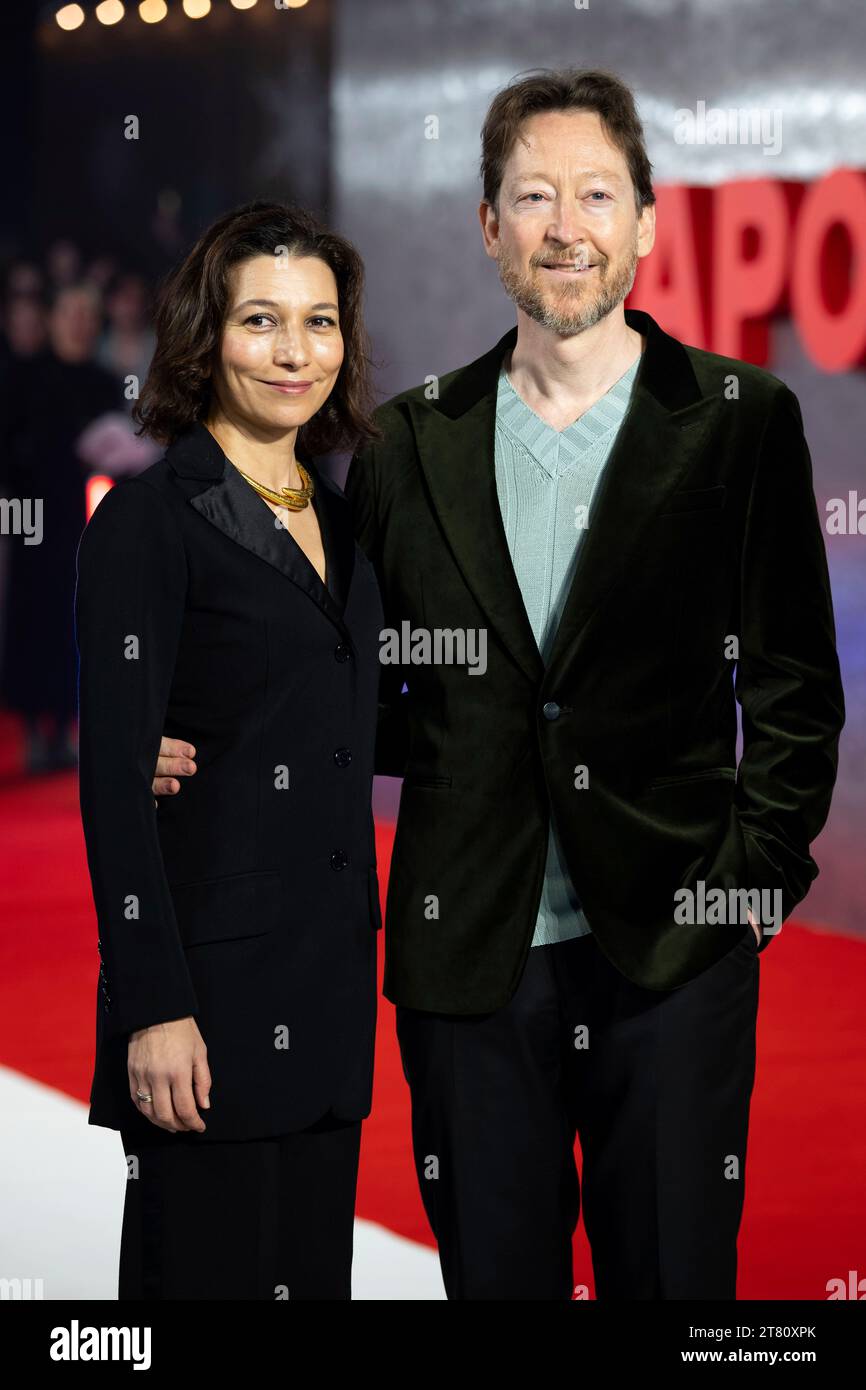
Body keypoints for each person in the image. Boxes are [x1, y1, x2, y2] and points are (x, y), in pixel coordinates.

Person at [156, 70, 845, 1300]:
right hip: (467, 955)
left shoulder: (740, 418)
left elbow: (794, 680)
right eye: (532, 195)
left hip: (673, 949)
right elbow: (342, 674)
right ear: (487, 226)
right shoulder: (411, 439)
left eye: (594, 194)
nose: (563, 226)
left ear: (644, 219)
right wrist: (193, 732)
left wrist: (755, 869)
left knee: (679, 1285)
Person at [76, 200, 384, 1300]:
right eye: (261, 320)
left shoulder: (346, 524)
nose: (294, 351)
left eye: (319, 321)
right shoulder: (150, 522)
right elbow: (113, 790)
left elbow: (353, 727)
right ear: (206, 335)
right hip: (205, 1006)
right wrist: (153, 1005)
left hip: (327, 991)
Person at [1, 284, 120, 772]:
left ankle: (72, 725)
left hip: (87, 520)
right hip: (32, 519)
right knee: (32, 617)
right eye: (70, 312)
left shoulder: (104, 380)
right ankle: (32, 727)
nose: (79, 322)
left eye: (87, 314)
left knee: (82, 619)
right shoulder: (24, 376)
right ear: (52, 319)